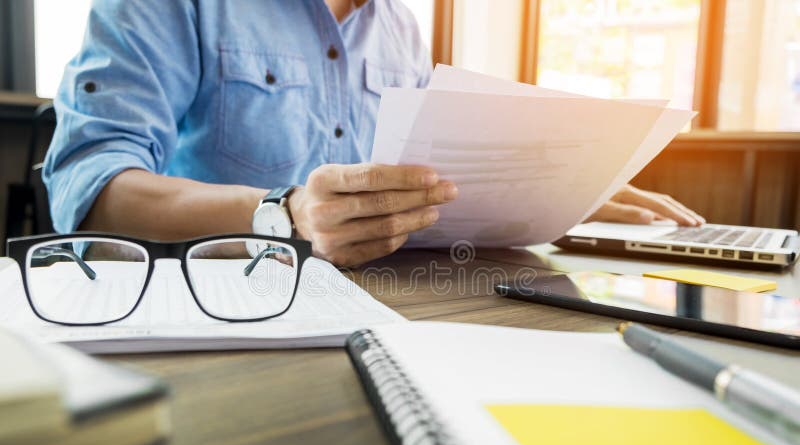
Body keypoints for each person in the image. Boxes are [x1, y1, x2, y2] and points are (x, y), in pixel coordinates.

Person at [44, 0, 704, 267]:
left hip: (381, 307)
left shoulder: (399, 27)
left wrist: (558, 194)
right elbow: (90, 186)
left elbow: (417, 179)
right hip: (218, 315)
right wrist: (282, 216)